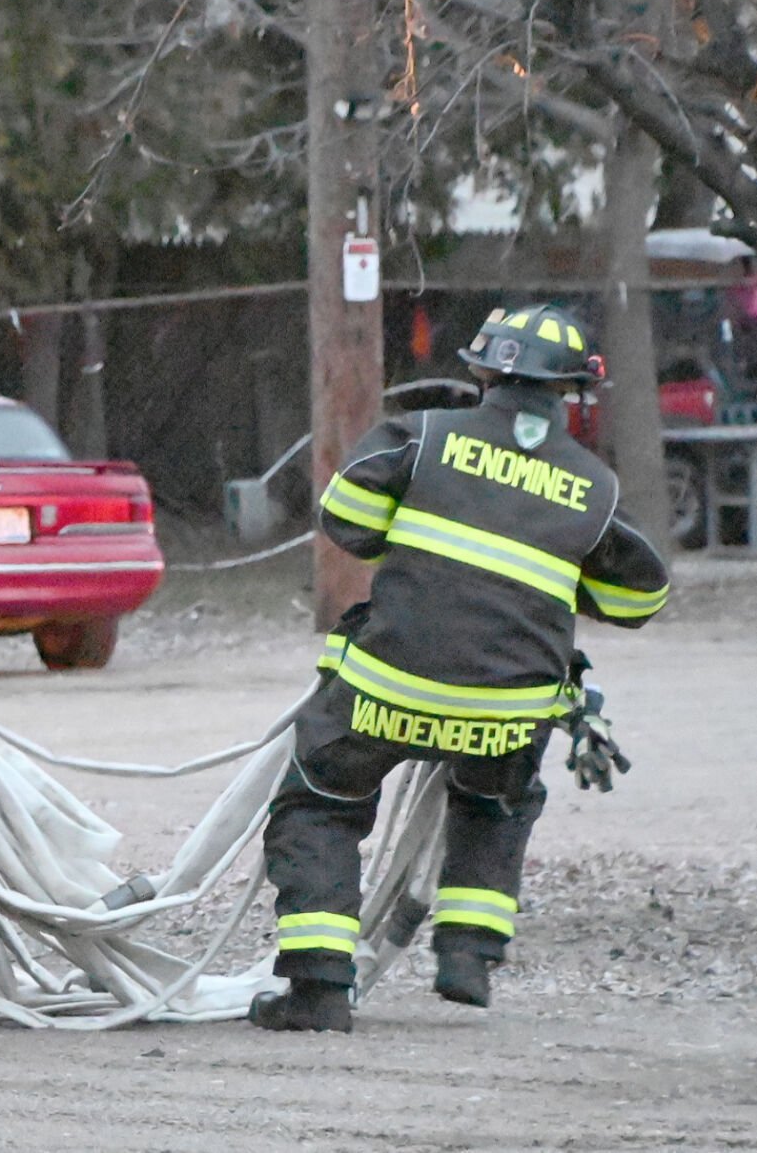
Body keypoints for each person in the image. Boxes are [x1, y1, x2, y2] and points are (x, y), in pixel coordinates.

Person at [250, 304, 671, 1033]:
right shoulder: (594, 486)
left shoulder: (420, 438)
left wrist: (411, 540)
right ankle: (466, 954)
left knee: (319, 799)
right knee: (496, 800)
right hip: (508, 711)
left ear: (482, 371)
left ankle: (317, 986)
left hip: (387, 687)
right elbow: (641, 594)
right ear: (572, 391)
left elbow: (343, 512)